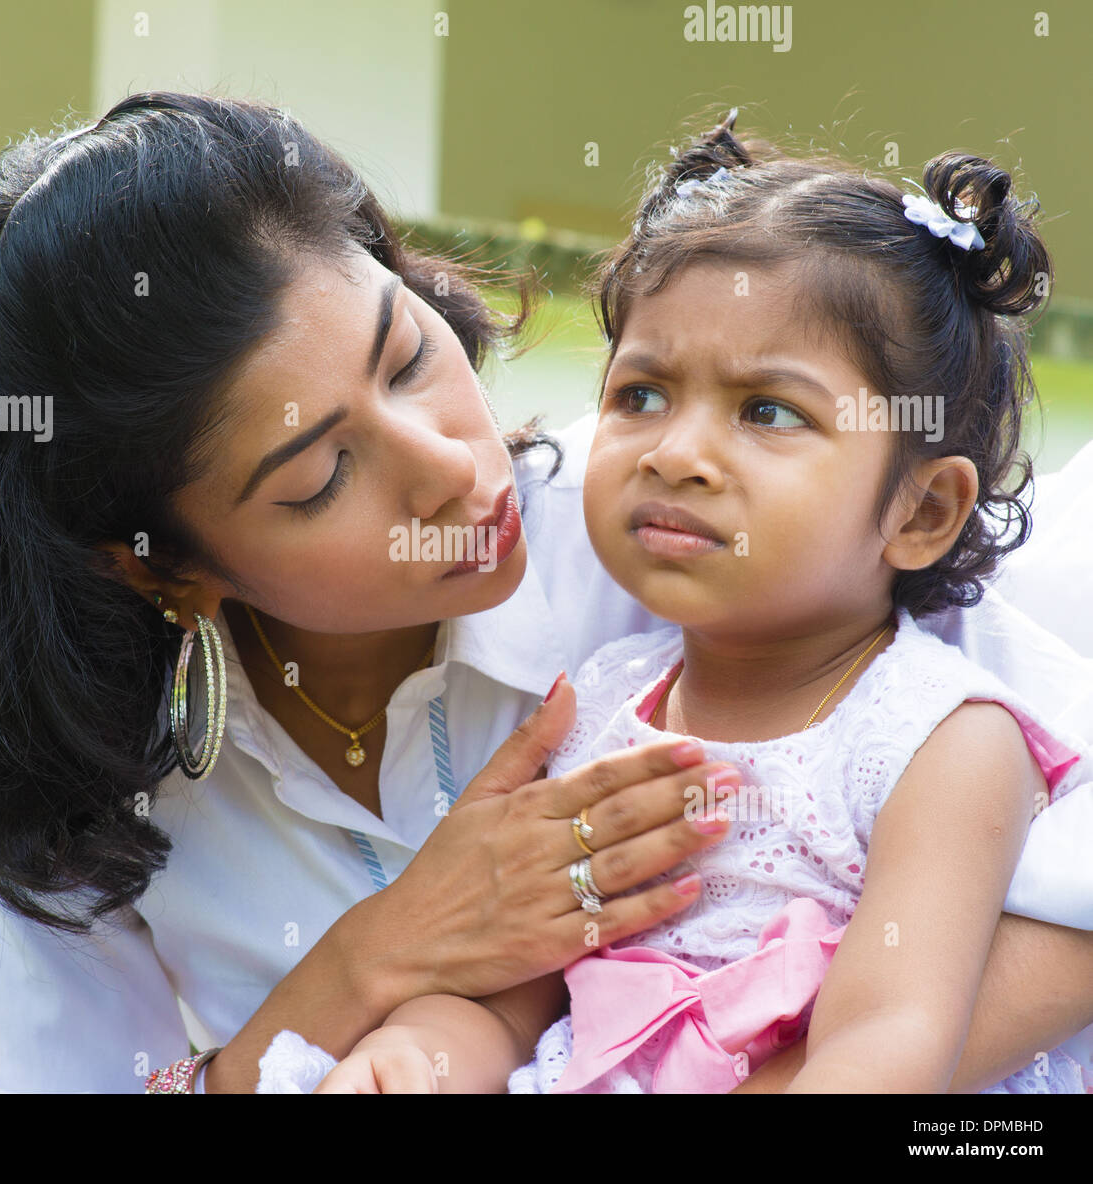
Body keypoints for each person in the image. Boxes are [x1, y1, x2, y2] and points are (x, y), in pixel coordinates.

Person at [0, 93, 1093, 1094]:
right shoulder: (89, 793)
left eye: (405, 356)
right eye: (325, 471)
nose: (453, 463)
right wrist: (368, 962)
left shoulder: (702, 549)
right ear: (163, 564)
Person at [297, 112, 1093, 1094]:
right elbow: (514, 993)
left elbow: (886, 1038)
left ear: (921, 509)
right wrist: (416, 1054)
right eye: (641, 395)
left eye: (767, 410)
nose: (674, 452)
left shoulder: (941, 736)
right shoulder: (598, 700)